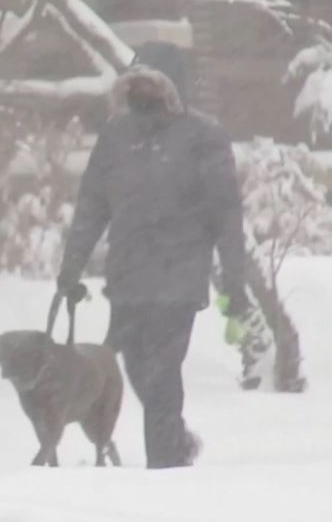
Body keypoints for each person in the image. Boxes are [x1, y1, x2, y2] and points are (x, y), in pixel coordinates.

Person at [57, 41, 250, 469]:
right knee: (136, 369)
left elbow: (225, 215)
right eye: (137, 82)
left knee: (162, 376)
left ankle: (164, 472)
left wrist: (235, 283)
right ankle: (175, 443)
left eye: (153, 83)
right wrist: (70, 269)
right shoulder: (116, 136)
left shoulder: (204, 138)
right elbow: (92, 205)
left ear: (173, 87)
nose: (144, 91)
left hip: (179, 280)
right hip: (128, 279)